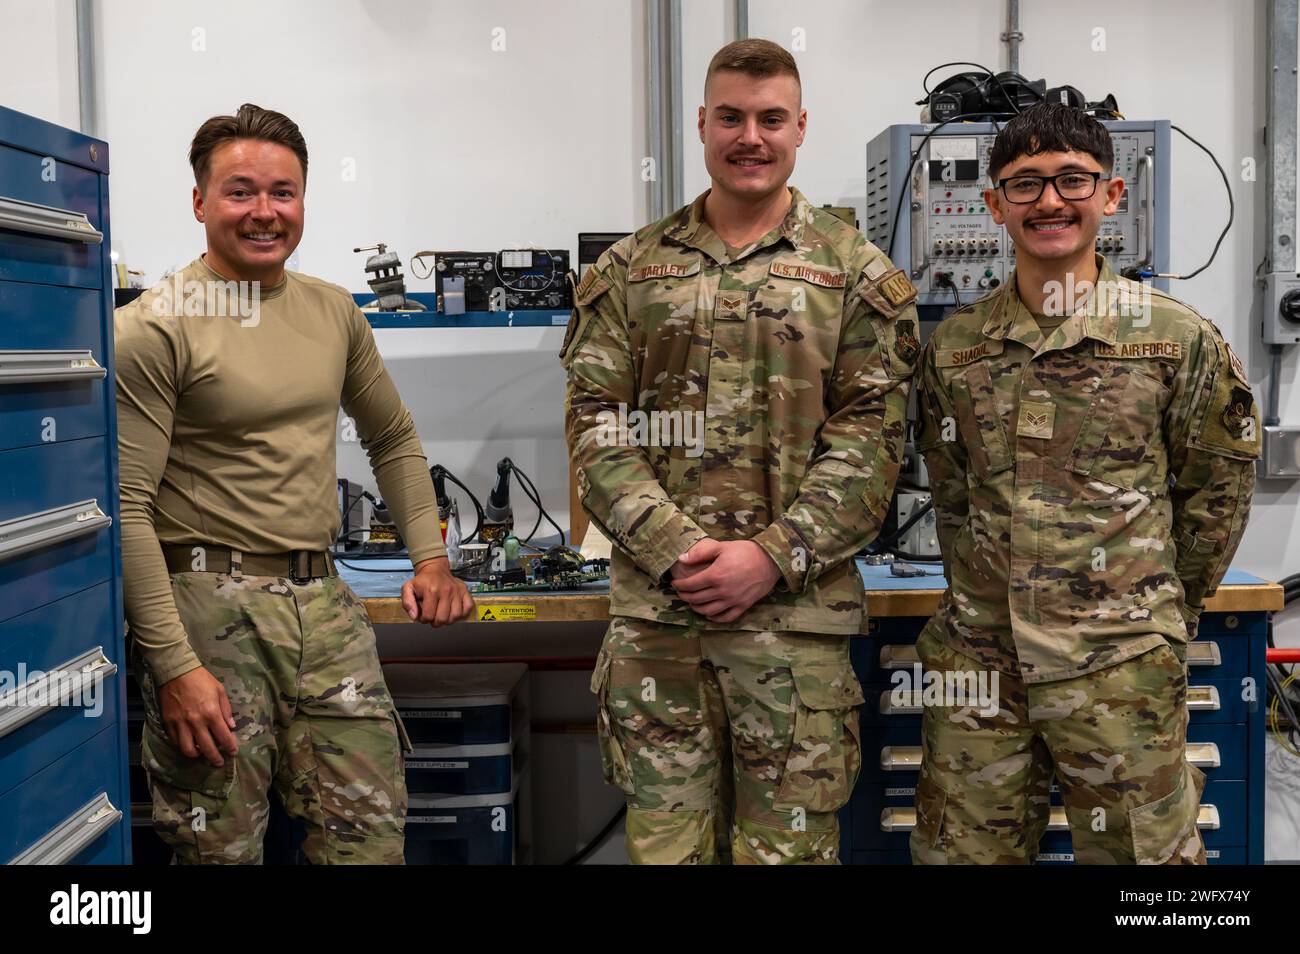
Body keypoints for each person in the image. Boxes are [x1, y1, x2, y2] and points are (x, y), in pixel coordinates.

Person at [563, 39, 916, 864]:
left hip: (794, 629)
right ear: (701, 124)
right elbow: (595, 423)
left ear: (801, 128)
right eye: (731, 117)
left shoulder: (855, 273)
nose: (749, 137)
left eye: (769, 119)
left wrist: (770, 557)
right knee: (666, 852)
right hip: (662, 622)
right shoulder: (629, 270)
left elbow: (873, 441)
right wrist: (677, 549)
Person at [116, 103, 473, 864]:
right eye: (240, 191)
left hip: (324, 605)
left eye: (283, 192)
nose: (264, 212)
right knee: (221, 852)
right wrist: (175, 667)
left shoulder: (334, 311)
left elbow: (392, 436)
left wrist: (431, 559)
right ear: (200, 202)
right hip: (209, 613)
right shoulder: (153, 328)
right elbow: (127, 509)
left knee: (369, 843)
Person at [912, 102, 1260, 864]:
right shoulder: (957, 348)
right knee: (959, 857)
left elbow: (1217, 492)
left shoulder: (1174, 338)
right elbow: (952, 490)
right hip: (981, 669)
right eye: (1026, 183)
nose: (1050, 202)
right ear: (994, 205)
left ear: (1112, 195)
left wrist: (1155, 613)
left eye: (1073, 179)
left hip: (1119, 667)